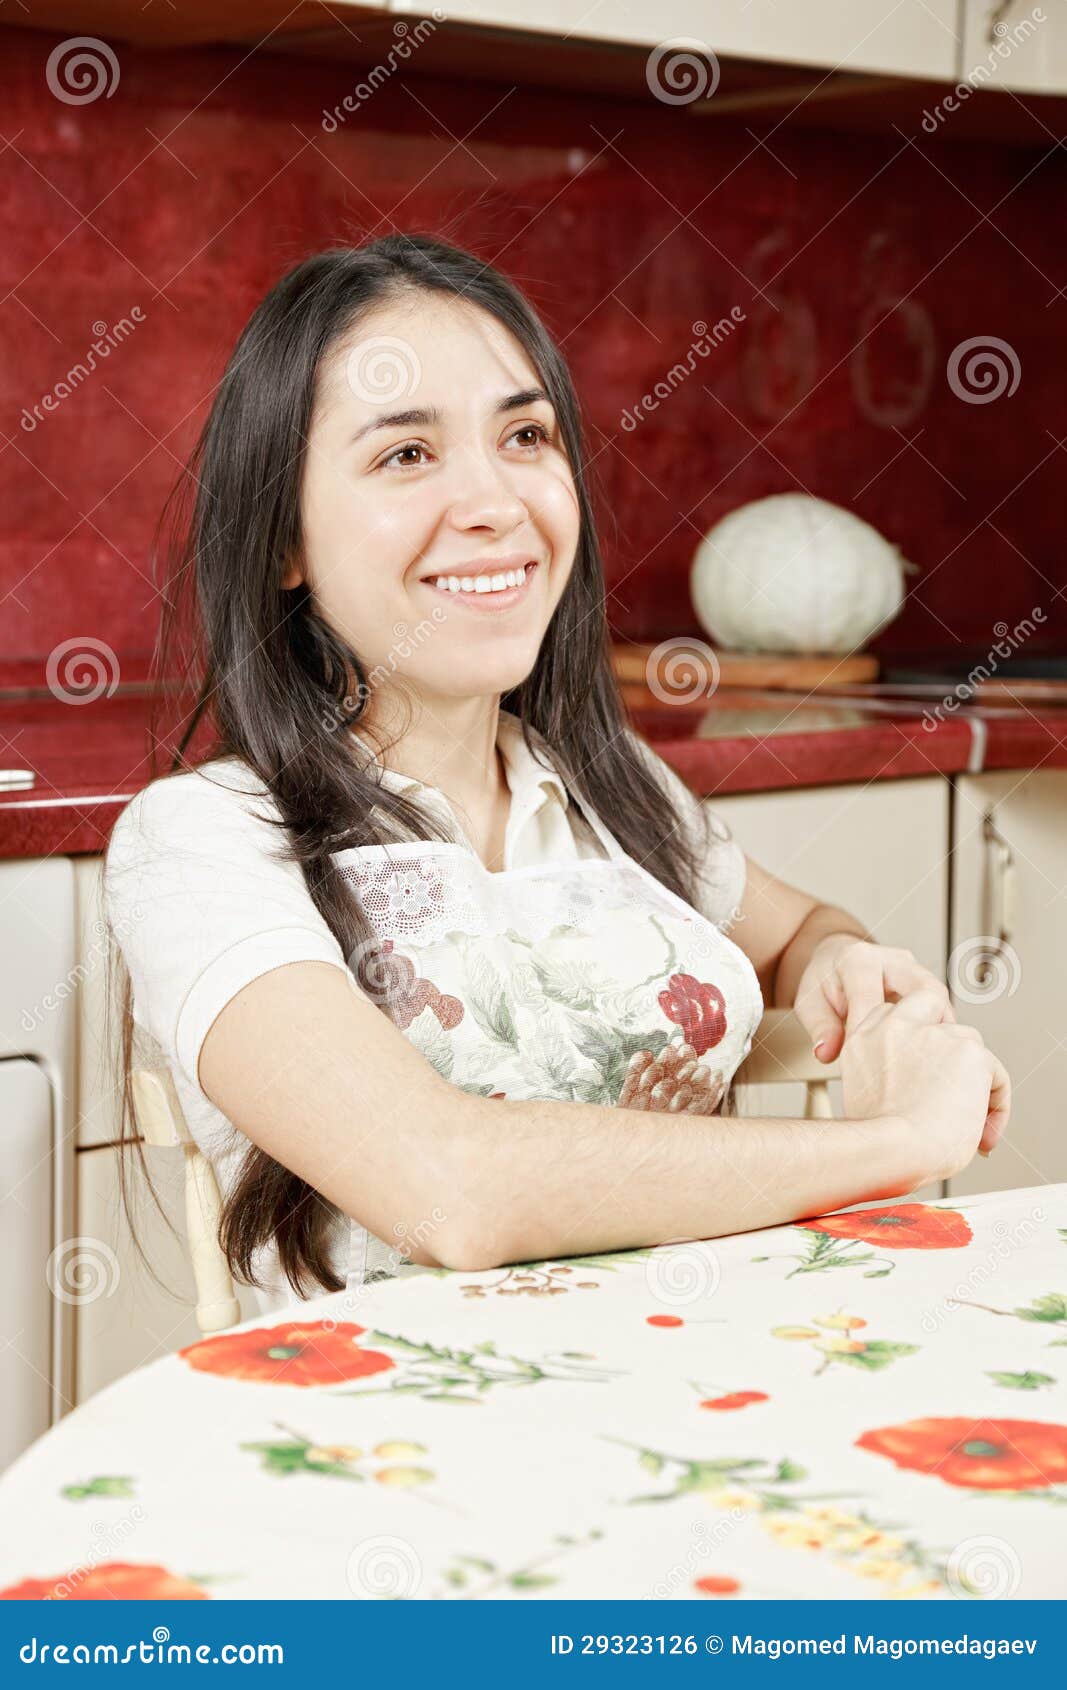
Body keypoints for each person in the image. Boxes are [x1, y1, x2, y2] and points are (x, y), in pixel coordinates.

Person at [103, 234, 1010, 1312]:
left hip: (704, 1383)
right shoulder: (202, 841)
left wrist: (846, 965)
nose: (494, 503)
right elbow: (451, 1190)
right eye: (405, 454)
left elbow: (798, 930)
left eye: (524, 435)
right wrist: (895, 1142)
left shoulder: (606, 786)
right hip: (393, 1446)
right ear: (280, 541)